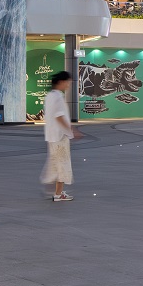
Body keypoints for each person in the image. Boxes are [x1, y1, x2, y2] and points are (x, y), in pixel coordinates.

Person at [43, 70, 84, 201]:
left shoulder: (49, 96)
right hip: (60, 136)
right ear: (61, 82)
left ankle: (56, 191)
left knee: (56, 163)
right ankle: (58, 194)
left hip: (51, 136)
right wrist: (71, 130)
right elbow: (59, 116)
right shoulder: (58, 97)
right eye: (68, 83)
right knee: (62, 164)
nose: (68, 85)